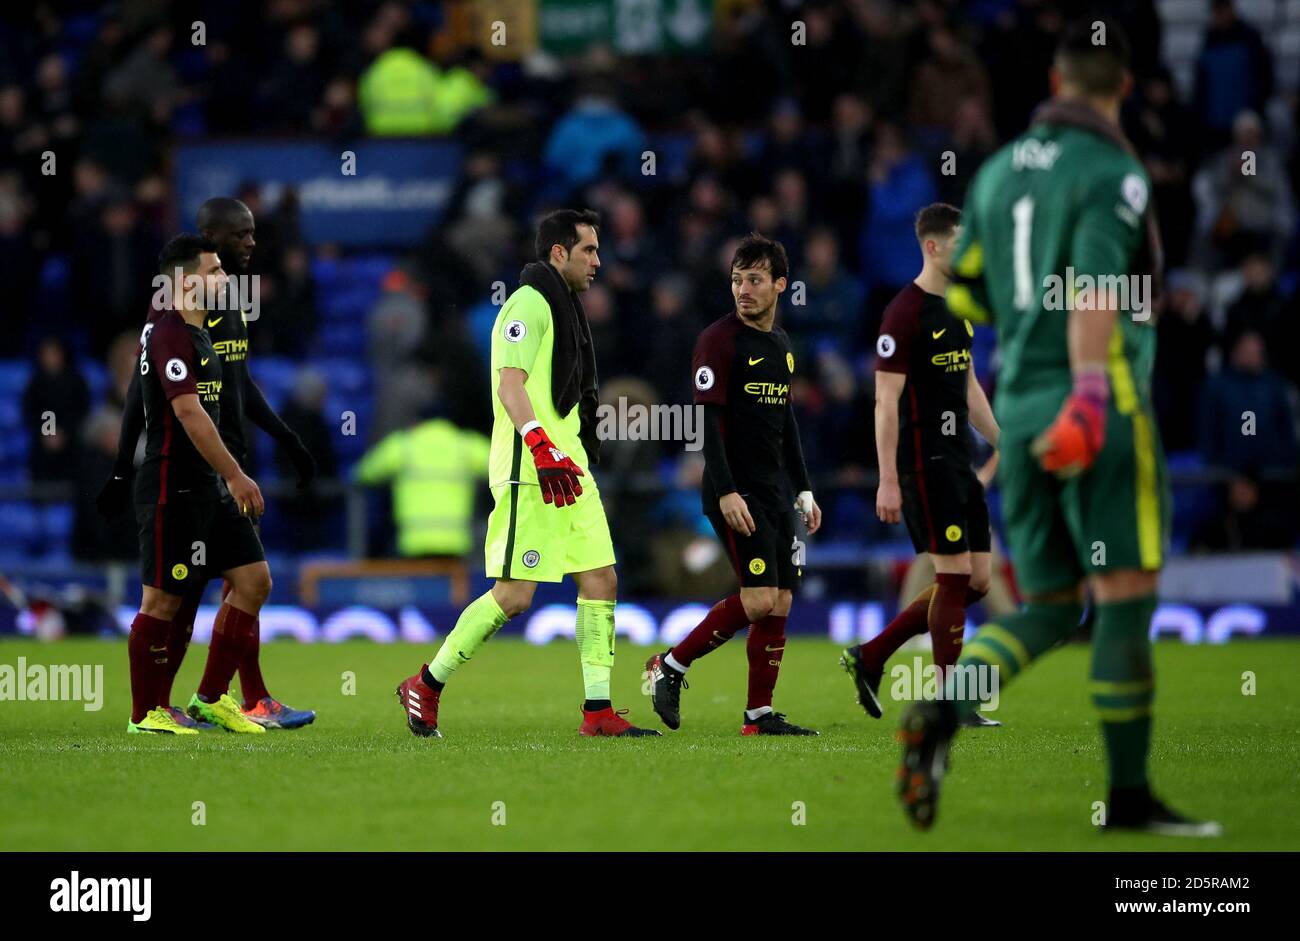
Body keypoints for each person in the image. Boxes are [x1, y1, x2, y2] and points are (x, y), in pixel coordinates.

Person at [901, 18, 1221, 836]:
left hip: (1020, 403)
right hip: (1096, 401)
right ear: (1123, 90)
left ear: (1052, 84)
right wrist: (1088, 395)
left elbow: (965, 291)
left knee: (1046, 604)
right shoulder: (1113, 171)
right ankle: (1128, 800)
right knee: (1122, 599)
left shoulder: (1002, 171)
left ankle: (942, 708)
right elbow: (1092, 291)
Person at [395, 209, 657, 738]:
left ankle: (598, 711)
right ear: (558, 252)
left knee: (601, 580)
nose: (598, 262)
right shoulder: (529, 303)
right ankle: (426, 682)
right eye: (588, 250)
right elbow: (509, 384)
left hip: (569, 468)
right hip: (531, 469)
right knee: (515, 596)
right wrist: (539, 446)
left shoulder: (568, 310)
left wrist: (569, 450)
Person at [98, 197, 317, 730]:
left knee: (247, 580)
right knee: (176, 597)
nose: (251, 244)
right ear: (209, 243)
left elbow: (236, 387)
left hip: (223, 469)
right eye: (239, 237)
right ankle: (154, 709)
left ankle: (224, 697)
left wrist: (283, 438)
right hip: (191, 472)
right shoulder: (170, 322)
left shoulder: (221, 312)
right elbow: (153, 401)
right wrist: (123, 467)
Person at [644, 233, 821, 736]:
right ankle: (670, 666)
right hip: (734, 490)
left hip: (774, 491)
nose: (743, 290)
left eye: (755, 280)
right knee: (761, 598)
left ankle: (759, 715)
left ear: (780, 285)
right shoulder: (718, 341)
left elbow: (785, 422)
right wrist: (725, 492)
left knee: (781, 601)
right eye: (737, 280)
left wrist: (804, 487)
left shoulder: (783, 347)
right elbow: (707, 425)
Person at [840, 204, 1001, 727]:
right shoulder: (903, 314)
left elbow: (968, 382)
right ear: (933, 247)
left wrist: (1003, 441)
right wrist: (888, 479)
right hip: (922, 460)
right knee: (954, 577)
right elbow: (885, 402)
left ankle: (871, 655)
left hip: (959, 458)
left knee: (977, 580)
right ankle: (946, 703)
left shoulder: (960, 305)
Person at [124, 234, 268, 734]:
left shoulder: (200, 331)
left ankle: (209, 698)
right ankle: (145, 715)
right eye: (214, 271)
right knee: (162, 602)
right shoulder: (167, 334)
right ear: (186, 281)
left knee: (253, 581)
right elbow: (187, 411)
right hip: (172, 487)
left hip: (209, 488)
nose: (225, 279)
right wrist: (236, 473)